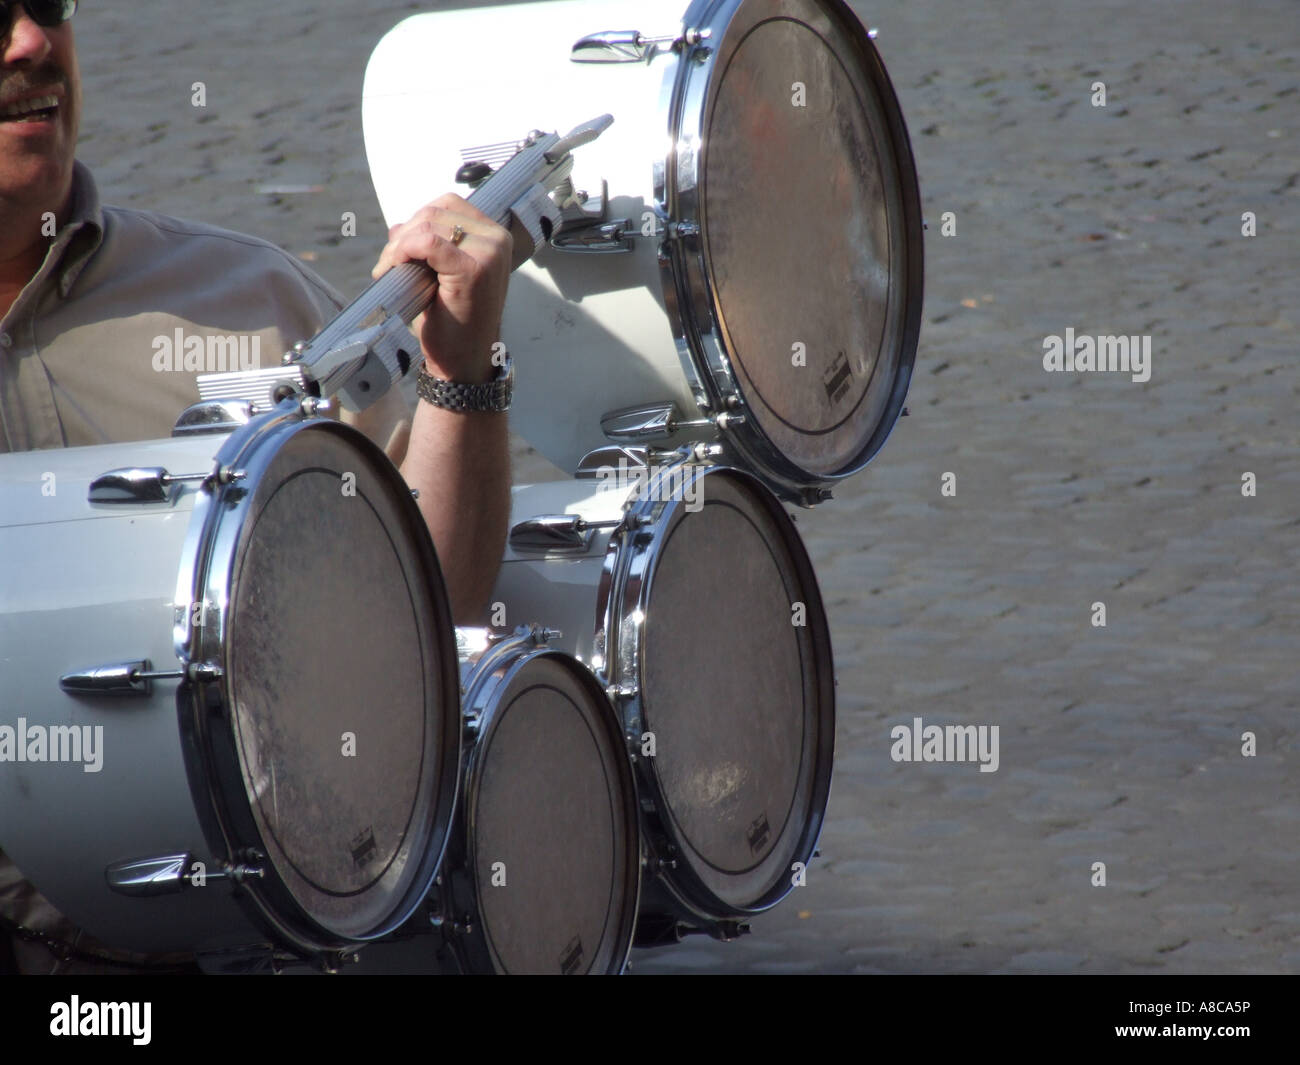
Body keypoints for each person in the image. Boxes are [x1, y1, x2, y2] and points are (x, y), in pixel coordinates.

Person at [0, 1, 513, 972]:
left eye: (48, 5)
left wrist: (462, 370)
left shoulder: (253, 304)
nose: (31, 43)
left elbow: (431, 626)